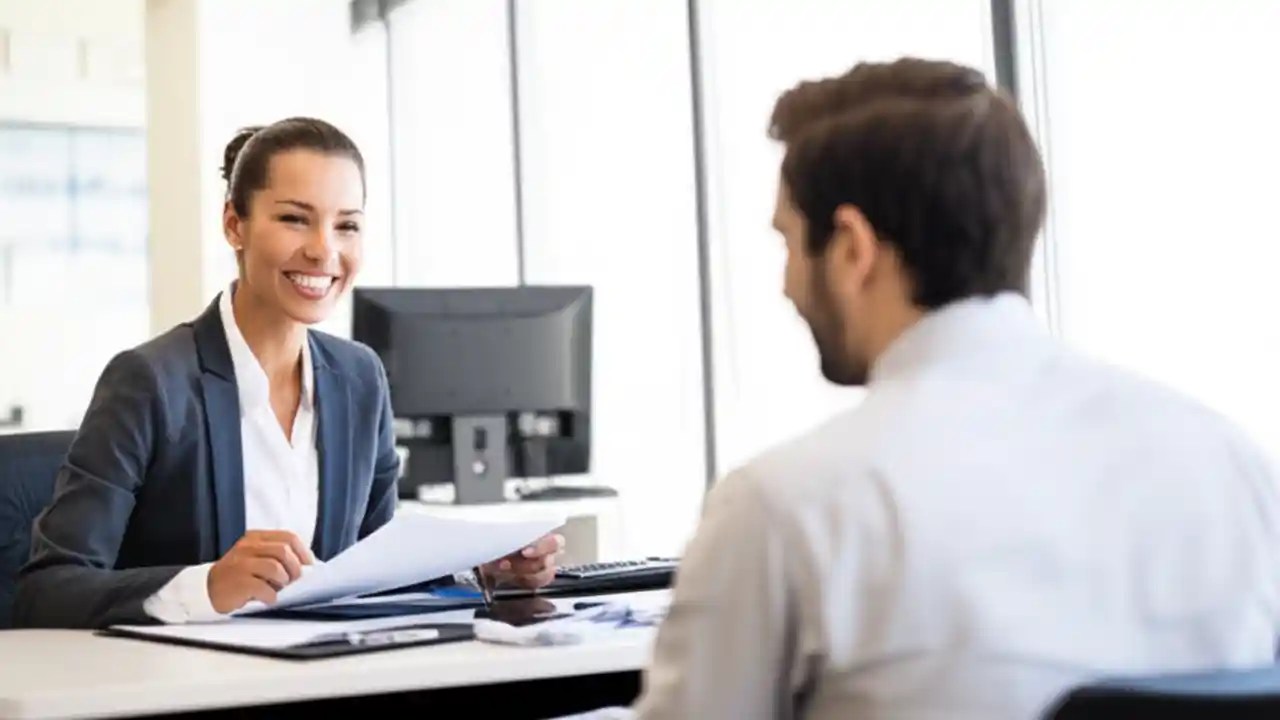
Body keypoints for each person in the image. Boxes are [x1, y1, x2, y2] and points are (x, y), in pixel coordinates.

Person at [626, 58, 1280, 719]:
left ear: (853, 248)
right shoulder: (1230, 465)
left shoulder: (786, 505)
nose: (787, 285)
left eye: (789, 243)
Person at [13, 117, 563, 629]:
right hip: (188, 693)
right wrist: (208, 586)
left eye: (347, 225)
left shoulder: (359, 377)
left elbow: (376, 569)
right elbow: (48, 590)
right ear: (235, 224)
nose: (325, 250)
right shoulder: (150, 381)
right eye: (295, 218)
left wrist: (483, 571)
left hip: (326, 679)